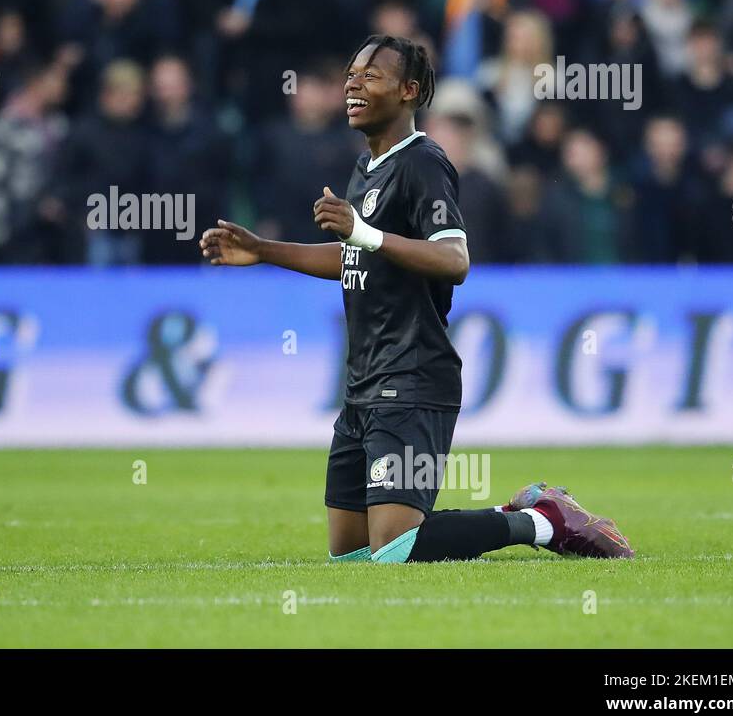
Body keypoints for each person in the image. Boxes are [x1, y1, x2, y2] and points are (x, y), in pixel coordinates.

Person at [199, 35, 634, 563]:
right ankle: (524, 515)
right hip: (362, 381)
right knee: (353, 557)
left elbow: (454, 260)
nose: (353, 84)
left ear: (409, 91)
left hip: (412, 379)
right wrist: (264, 250)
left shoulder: (424, 162)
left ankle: (541, 522)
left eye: (371, 75)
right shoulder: (368, 168)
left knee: (393, 549)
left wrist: (363, 233)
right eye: (350, 74)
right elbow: (356, 259)